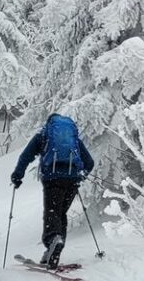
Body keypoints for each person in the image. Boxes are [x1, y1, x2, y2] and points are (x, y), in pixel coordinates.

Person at [11, 112, 94, 266]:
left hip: (53, 179)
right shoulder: (73, 138)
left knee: (52, 212)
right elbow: (89, 162)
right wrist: (80, 176)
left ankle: (53, 240)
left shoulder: (43, 135)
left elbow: (26, 156)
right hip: (72, 180)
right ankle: (53, 253)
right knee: (60, 214)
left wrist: (17, 175)